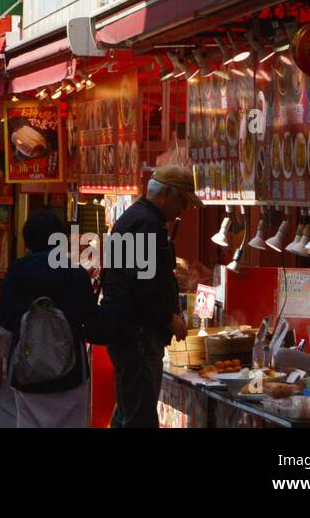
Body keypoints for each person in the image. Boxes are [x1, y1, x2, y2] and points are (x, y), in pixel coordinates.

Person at [98, 165, 196, 428]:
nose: (184, 209)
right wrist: (168, 317)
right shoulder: (146, 223)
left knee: (130, 410)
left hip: (129, 331)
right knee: (139, 415)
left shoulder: (139, 218)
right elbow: (142, 285)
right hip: (137, 334)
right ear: (165, 194)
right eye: (183, 201)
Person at [0, 209, 98, 428]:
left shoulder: (17, 271)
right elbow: (89, 317)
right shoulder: (75, 273)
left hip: (27, 368)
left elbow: (6, 318)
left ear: (28, 240)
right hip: (70, 370)